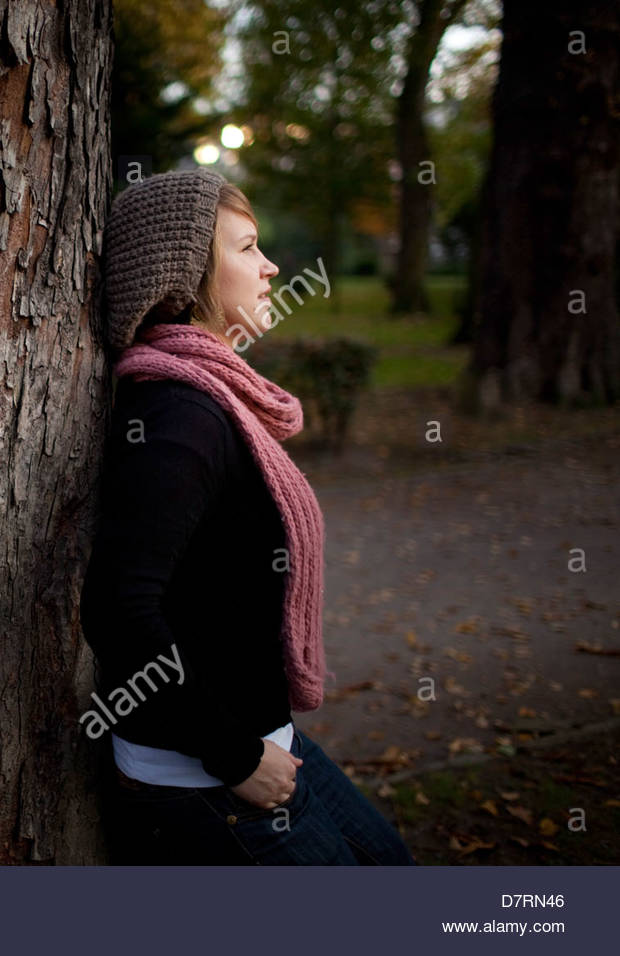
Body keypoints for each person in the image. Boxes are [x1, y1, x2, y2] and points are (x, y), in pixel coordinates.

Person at [80, 167, 417, 865]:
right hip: (210, 774)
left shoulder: (212, 401)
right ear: (187, 274)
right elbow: (118, 610)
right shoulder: (180, 417)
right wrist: (234, 757)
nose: (270, 269)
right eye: (246, 248)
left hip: (261, 745)